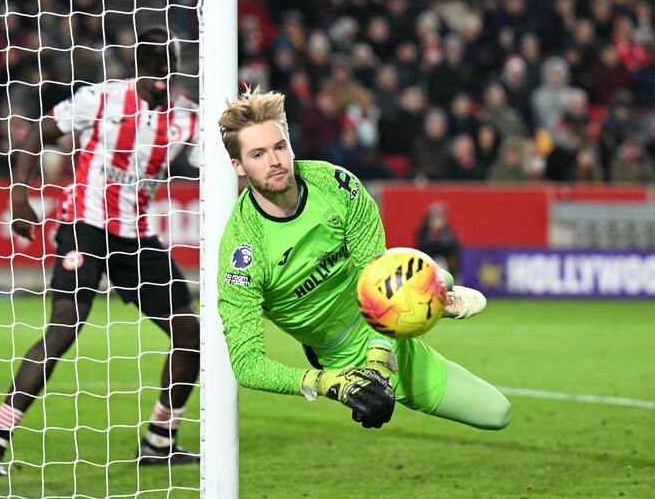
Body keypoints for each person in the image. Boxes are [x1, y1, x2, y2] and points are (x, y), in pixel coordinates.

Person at [0, 27, 201, 477]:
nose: (160, 71)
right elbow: (38, 133)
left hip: (136, 235)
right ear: (138, 63)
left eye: (168, 63)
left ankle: (160, 439)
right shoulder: (101, 98)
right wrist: (20, 196)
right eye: (152, 62)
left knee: (191, 334)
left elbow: (221, 161)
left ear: (176, 66)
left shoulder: (187, 119)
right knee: (65, 326)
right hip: (85, 224)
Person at [216, 88, 511, 431]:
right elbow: (247, 365)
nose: (275, 161)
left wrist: (379, 364)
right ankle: (430, 299)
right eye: (258, 154)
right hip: (342, 354)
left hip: (385, 309)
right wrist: (329, 383)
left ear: (291, 145)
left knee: (416, 272)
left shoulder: (336, 186)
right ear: (238, 165)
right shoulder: (241, 252)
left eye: (280, 147)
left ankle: (429, 298)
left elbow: (376, 272)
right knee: (497, 414)